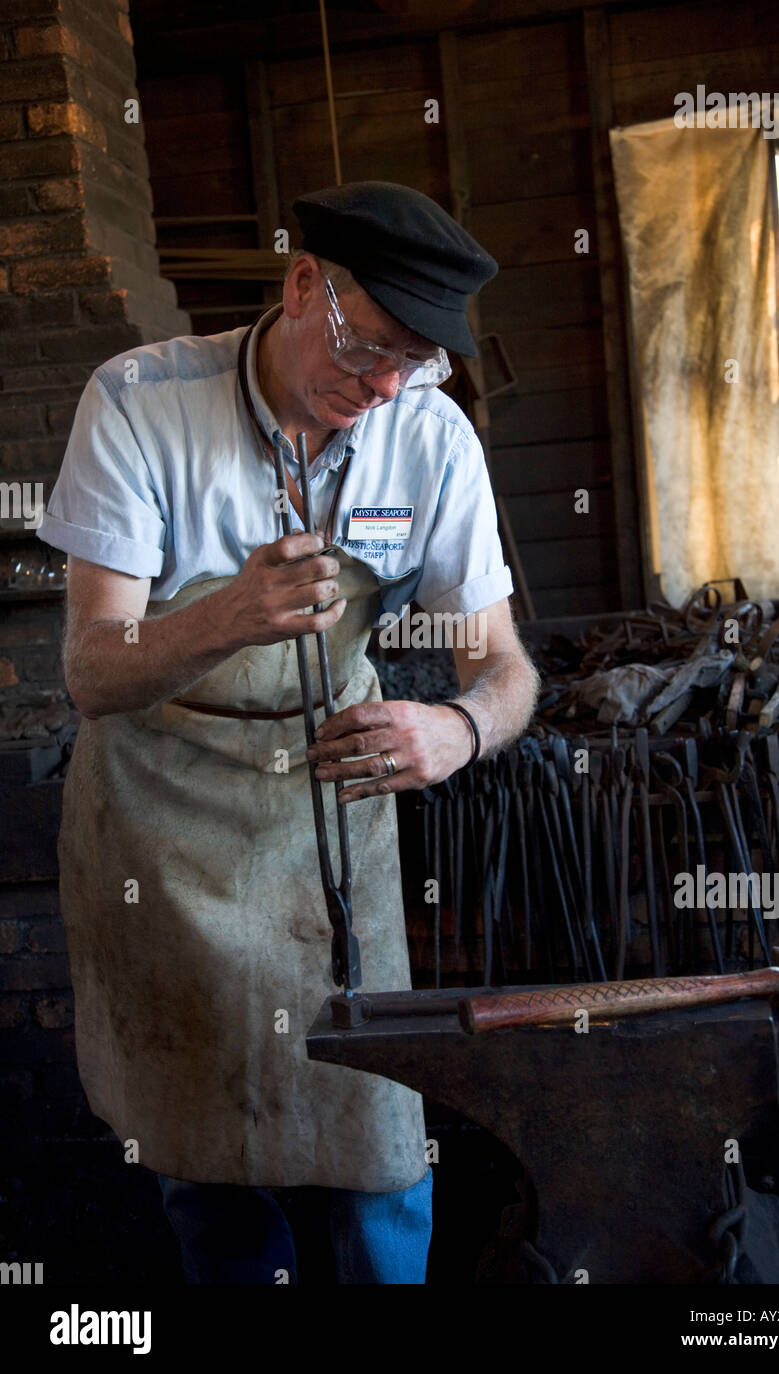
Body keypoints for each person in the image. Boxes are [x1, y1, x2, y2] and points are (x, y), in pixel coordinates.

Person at [36, 180, 539, 1285]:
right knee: (205, 1157)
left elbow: (502, 668)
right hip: (161, 826)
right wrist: (225, 615)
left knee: (378, 1145)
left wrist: (459, 728)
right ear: (304, 283)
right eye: (370, 349)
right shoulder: (136, 401)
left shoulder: (428, 433)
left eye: (416, 361)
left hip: (330, 818)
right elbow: (89, 671)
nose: (385, 385)